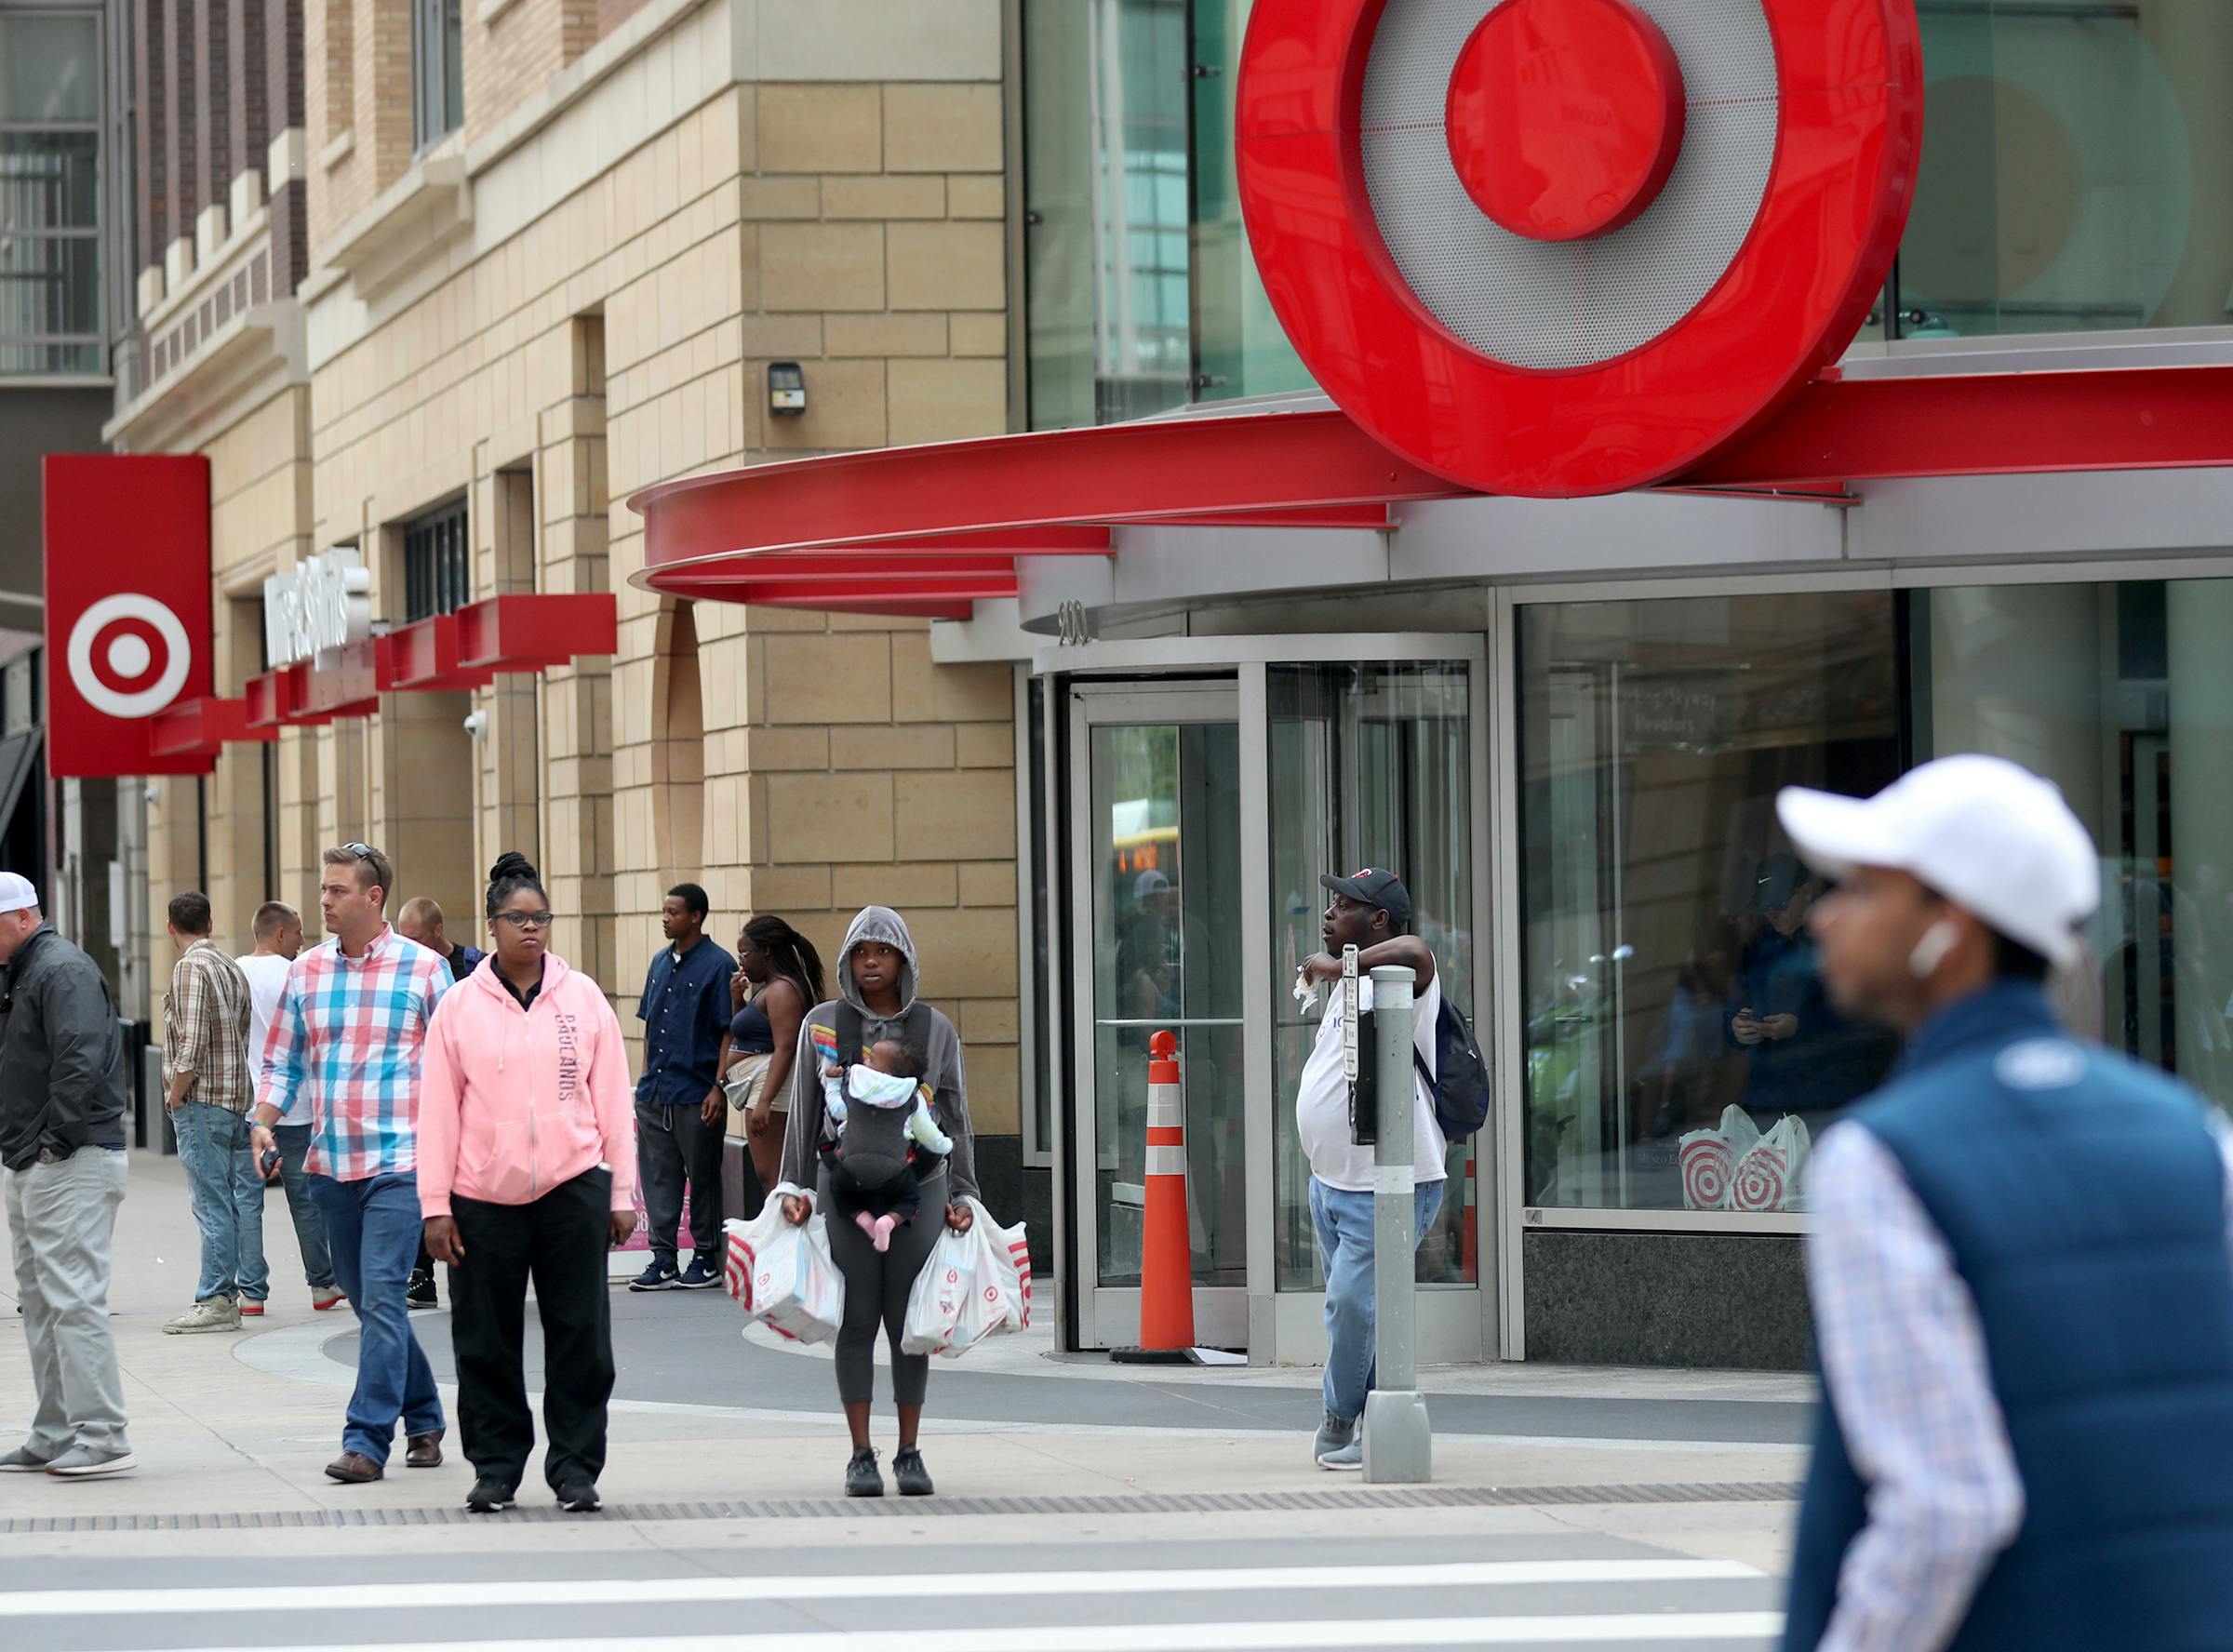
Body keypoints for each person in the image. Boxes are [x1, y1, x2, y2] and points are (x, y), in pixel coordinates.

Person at [1776, 754, 2233, 1652]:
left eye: (1865, 890)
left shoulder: (1882, 1160)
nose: (1826, 916)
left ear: (1951, 926)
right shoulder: (2197, 1136)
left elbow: (1946, 1510)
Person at [418, 853, 636, 1515]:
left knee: (581, 1337)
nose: (532, 929)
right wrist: (435, 1207)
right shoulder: (458, 1008)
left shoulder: (583, 998)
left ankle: (575, 1469)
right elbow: (437, 1111)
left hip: (573, 1187)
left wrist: (621, 1193)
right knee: (485, 1341)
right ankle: (494, 1469)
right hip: (482, 1195)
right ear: (492, 926)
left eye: (541, 918)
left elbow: (613, 1099)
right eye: (518, 918)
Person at [248, 844, 453, 1485]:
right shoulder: (304, 972)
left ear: (374, 897)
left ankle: (365, 1440)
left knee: (387, 1298)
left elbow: (455, 1068)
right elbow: (282, 1062)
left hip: (401, 1161)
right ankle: (423, 1415)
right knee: (369, 1306)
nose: (325, 901)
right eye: (323, 890)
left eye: (337, 890)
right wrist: (262, 1122)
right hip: (331, 1166)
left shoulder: (424, 971)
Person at [774, 905, 979, 1498]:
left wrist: (965, 1193)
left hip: (921, 1190)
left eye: (883, 952)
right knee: (858, 1318)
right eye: (861, 951)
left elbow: (956, 1116)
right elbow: (805, 1117)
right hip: (844, 1193)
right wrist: (795, 1189)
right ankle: (860, 1454)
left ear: (904, 961)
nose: (871, 962)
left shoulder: (935, 1029)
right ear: (846, 960)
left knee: (909, 1321)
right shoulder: (823, 1023)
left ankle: (909, 1452)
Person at [1291, 868, 1446, 1472]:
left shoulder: (1403, 979)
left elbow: (1418, 948)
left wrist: (1339, 966)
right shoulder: (1351, 984)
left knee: (1352, 1308)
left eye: (1343, 906)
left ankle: (1338, 1417)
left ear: (1377, 919)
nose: (1328, 915)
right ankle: (1375, 1425)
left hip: (1387, 1188)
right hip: (1332, 1185)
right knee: (1361, 1314)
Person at [0, 873, 134, 1477]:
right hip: (42, 1156)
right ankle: (55, 1429)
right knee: (44, 1299)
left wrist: (53, 1142)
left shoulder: (59, 969)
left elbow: (78, 1057)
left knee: (71, 1298)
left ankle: (101, 1433)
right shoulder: (34, 968)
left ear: (22, 917)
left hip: (68, 1159)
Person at [159, 891, 265, 1332]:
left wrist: (176, 1092)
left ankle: (217, 1298)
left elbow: (192, 1041)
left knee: (211, 1202)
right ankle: (233, 1292)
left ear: (171, 928)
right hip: (235, 1100)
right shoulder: (229, 966)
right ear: (209, 921)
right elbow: (239, 1032)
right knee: (233, 1202)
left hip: (203, 1101)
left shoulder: (189, 968)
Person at [1727, 854, 1893, 1126]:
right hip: (1766, 1096)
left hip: (1826, 1095)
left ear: (1807, 893)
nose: (1771, 913)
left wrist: (1803, 1027)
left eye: (1779, 903)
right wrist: (1736, 1026)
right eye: (1765, 905)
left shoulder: (1838, 942)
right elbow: (1733, 1002)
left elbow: (1871, 1021)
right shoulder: (1758, 947)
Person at [237, 901, 342, 1312]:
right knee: (305, 1199)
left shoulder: (236, 971)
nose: (303, 940)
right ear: (280, 934)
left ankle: (251, 1292)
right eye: (298, 931)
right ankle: (322, 1284)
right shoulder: (298, 973)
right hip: (297, 1104)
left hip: (251, 1105)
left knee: (247, 1199)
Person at [629, 882, 733, 1291]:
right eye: (664, 911)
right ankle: (663, 1258)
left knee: (702, 1175)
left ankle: (705, 1257)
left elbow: (729, 1032)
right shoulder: (658, 963)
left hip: (698, 1092)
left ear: (695, 916)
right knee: (658, 1175)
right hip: (656, 1091)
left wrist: (718, 1087)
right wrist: (641, 1087)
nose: (665, 918)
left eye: (673, 912)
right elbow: (651, 1026)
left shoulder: (719, 965)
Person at [394, 895, 485, 1309]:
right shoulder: (403, 972)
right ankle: (421, 1277)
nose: (408, 945)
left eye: (416, 937)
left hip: (473, 1103)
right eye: (402, 937)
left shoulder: (477, 966)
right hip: (424, 1105)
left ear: (438, 931)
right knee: (422, 1189)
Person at [715, 914, 822, 1219]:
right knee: (771, 1179)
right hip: (762, 1090)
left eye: (744, 954)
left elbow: (785, 1047)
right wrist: (739, 1001)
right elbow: (747, 1034)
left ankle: (786, 1247)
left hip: (772, 1092)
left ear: (766, 950)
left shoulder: (782, 990)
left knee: (774, 1178)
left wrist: (764, 1102)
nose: (741, 963)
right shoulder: (772, 988)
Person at [815, 1033, 951, 1250]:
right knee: (909, 1198)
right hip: (894, 1173)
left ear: (885, 1073)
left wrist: (832, 1083)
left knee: (840, 1192)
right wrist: (945, 1144)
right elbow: (926, 1133)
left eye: (871, 1059)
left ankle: (864, 1220)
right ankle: (888, 1222)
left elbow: (838, 1110)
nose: (865, 1062)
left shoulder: (854, 1088)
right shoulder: (912, 1097)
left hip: (850, 1169)